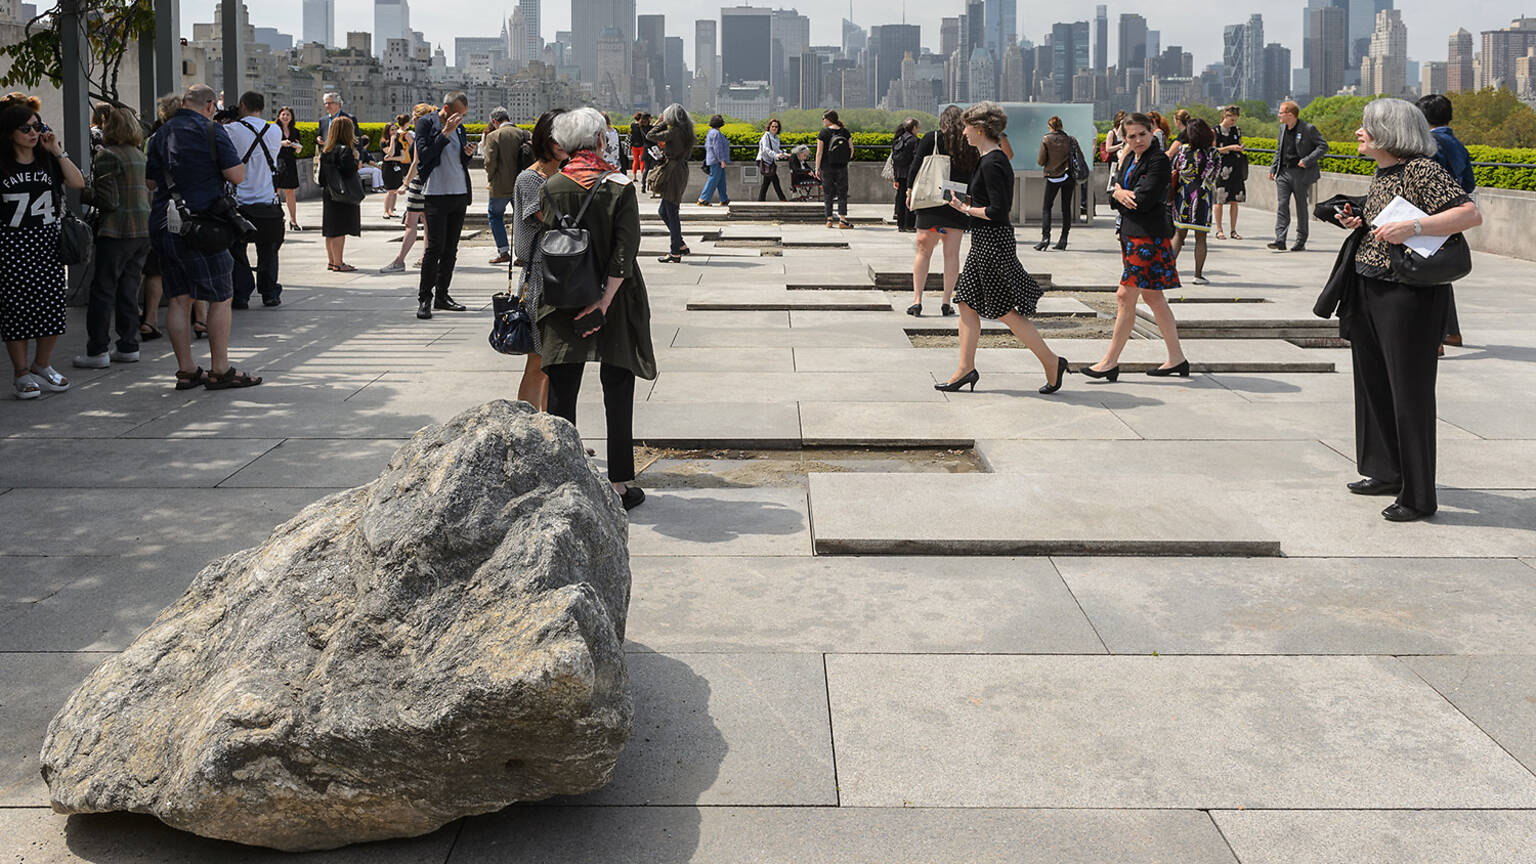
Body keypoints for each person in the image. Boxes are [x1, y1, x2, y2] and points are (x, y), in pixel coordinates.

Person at [1328, 99, 1481, 522]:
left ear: (1388, 132)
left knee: (1409, 393)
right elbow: (1387, 217)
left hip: (1407, 295)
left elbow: (1469, 213)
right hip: (1369, 287)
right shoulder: (1386, 171)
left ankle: (1417, 495)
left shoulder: (1421, 169)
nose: (1359, 132)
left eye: (1366, 127)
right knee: (1373, 384)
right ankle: (1385, 470)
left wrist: (1412, 227)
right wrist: (1360, 218)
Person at [538, 107, 657, 511]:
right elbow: (626, 252)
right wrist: (602, 305)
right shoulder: (620, 186)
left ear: (565, 146)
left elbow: (549, 244)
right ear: (602, 141)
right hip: (617, 300)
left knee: (561, 390)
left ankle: (564, 481)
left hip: (564, 296)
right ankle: (620, 484)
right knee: (618, 389)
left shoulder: (551, 184)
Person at [935, 102, 1067, 396]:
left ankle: (1052, 361)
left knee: (1004, 311)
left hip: (992, 243)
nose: (964, 132)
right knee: (967, 304)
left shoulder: (993, 162)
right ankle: (965, 368)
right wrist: (965, 202)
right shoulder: (990, 159)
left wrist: (966, 208)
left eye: (967, 127)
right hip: (985, 242)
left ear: (980, 129)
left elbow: (998, 210)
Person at [145, 84, 261, 390]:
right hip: (202, 225)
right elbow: (236, 175)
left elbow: (150, 181)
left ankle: (186, 370)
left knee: (179, 299)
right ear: (210, 105)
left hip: (163, 222)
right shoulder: (212, 132)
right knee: (221, 296)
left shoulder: (160, 134)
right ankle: (220, 369)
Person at [1085, 112, 1189, 381]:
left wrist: (1119, 193)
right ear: (1125, 137)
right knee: (1153, 297)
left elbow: (1142, 200)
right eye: (1131, 136)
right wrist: (1118, 193)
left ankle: (1109, 362)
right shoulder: (1130, 156)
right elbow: (1113, 195)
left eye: (1142, 134)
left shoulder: (1158, 161)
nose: (1138, 139)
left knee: (1124, 296)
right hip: (1131, 234)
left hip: (1149, 237)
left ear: (1152, 130)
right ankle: (1177, 358)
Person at [2, 96, 86, 398]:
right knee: (17, 313)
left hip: (47, 243)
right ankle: (21, 372)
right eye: (25, 129)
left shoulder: (48, 159)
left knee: (51, 310)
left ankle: (42, 364)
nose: (33, 133)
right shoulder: (3, 164)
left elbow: (78, 183)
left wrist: (57, 150)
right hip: (12, 245)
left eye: (37, 127)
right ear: (10, 132)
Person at [74, 106, 150, 369]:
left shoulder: (107, 155)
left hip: (117, 230)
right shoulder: (138, 155)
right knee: (128, 289)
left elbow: (108, 200)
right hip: (142, 230)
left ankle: (97, 350)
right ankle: (128, 344)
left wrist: (84, 190)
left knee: (103, 290)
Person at [510, 109, 564, 411]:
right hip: (541, 277)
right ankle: (527, 427)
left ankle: (551, 425)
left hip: (561, 275)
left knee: (553, 362)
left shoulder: (561, 176)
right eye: (557, 136)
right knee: (539, 360)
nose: (563, 142)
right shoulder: (531, 179)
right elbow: (550, 218)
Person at [904, 105, 977, 316]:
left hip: (931, 201)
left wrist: (909, 191)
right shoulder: (968, 142)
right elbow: (974, 173)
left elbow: (916, 165)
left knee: (923, 251)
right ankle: (946, 302)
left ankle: (917, 300)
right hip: (957, 201)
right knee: (951, 255)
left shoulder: (932, 138)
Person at [1417, 93, 1474, 351]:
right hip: (1454, 215)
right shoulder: (1458, 144)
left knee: (1425, 275)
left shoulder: (1428, 143)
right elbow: (1469, 184)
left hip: (1431, 217)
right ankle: (1451, 333)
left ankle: (1434, 338)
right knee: (1438, 273)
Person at [414, 91, 475, 319]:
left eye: (463, 116)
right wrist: (445, 132)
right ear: (446, 109)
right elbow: (425, 155)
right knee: (434, 248)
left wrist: (468, 154)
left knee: (451, 250)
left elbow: (458, 160)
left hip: (459, 192)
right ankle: (425, 298)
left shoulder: (459, 127)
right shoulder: (425, 123)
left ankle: (442, 295)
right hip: (436, 193)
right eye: (458, 115)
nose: (461, 120)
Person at [224, 91, 286, 309]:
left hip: (240, 202)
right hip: (268, 200)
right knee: (268, 249)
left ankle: (241, 294)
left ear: (242, 105)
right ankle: (269, 292)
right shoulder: (275, 130)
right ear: (261, 106)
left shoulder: (230, 130)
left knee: (237, 249)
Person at [1268, 100, 1328, 252]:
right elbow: (1279, 149)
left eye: (1281, 112)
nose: (1278, 115)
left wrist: (1307, 160)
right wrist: (1274, 168)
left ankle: (1301, 241)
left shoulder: (1308, 129)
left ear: (1290, 114)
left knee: (1301, 207)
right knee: (1282, 205)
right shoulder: (1282, 128)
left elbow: (1323, 146)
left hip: (1301, 174)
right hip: (1283, 173)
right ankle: (1280, 239)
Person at [381, 103, 435, 274]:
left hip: (419, 182)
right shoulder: (433, 132)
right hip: (430, 181)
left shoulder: (421, 132)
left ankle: (400, 260)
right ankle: (425, 257)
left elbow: (416, 161)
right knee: (426, 223)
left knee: (410, 223)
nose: (412, 119)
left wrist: (405, 184)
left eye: (414, 116)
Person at [1170, 118, 1219, 285]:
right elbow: (1213, 177)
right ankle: (1198, 275)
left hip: (1182, 197)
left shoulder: (1182, 151)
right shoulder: (1214, 153)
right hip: (1203, 199)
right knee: (1201, 238)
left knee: (1178, 235)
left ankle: (1168, 270)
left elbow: (1175, 169)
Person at [648, 103, 695, 263]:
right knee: (664, 210)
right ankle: (680, 244)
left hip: (673, 172)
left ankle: (675, 252)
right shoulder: (686, 131)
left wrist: (661, 121)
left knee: (671, 211)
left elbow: (650, 135)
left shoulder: (674, 131)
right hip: (679, 169)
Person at [483, 106, 530, 265]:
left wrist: (490, 179)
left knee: (495, 216)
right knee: (522, 219)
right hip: (521, 183)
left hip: (500, 185)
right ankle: (523, 255)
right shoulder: (523, 134)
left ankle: (503, 252)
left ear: (495, 121)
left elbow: (490, 162)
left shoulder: (494, 136)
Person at [319, 116, 361, 272]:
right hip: (342, 195)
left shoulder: (326, 150)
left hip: (329, 192)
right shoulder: (345, 150)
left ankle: (332, 261)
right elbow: (349, 171)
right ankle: (339, 263)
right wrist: (356, 160)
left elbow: (322, 176)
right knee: (339, 230)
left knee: (330, 229)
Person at [1036, 115, 1075, 251]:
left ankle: (1045, 238)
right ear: (1061, 126)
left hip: (1053, 177)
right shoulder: (1069, 139)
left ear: (1050, 126)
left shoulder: (1046, 139)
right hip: (1068, 176)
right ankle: (1063, 240)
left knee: (1047, 207)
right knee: (1066, 209)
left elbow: (1041, 161)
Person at [815, 109, 853, 228]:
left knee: (828, 193)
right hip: (841, 167)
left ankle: (829, 220)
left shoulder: (823, 133)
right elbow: (851, 150)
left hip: (826, 167)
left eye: (824, 119)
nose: (823, 121)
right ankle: (842, 220)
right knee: (842, 192)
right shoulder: (845, 132)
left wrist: (817, 168)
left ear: (829, 120)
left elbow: (819, 152)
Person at [1213, 105, 1246, 239]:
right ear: (1225, 116)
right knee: (1219, 199)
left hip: (1235, 166)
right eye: (1231, 119)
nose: (1233, 122)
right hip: (1222, 167)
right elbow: (1213, 149)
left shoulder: (1236, 130)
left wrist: (1239, 148)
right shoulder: (1215, 131)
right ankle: (1219, 229)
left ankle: (1233, 230)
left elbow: (1239, 143)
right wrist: (1229, 147)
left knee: (1235, 200)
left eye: (1235, 120)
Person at [273, 106, 303, 230]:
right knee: (276, 191)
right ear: (279, 116)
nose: (285, 117)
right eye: (283, 114)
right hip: (278, 161)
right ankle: (276, 219)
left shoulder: (295, 131)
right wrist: (282, 143)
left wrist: (297, 147)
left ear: (291, 118)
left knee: (290, 191)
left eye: (288, 115)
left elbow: (299, 150)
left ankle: (293, 220)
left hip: (290, 162)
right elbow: (270, 144)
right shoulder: (274, 129)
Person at [890, 118, 920, 232]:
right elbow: (916, 160)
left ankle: (901, 224)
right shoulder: (915, 140)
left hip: (900, 174)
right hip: (910, 174)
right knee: (910, 198)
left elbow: (894, 160)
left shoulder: (899, 139)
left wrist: (896, 177)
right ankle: (909, 224)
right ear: (914, 128)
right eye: (917, 127)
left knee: (901, 198)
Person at [380, 117, 411, 218]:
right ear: (387, 131)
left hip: (397, 167)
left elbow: (403, 157)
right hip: (388, 169)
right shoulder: (383, 142)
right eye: (392, 129)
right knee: (389, 191)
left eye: (395, 129)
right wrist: (392, 141)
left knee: (395, 191)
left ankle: (391, 210)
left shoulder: (399, 143)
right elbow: (390, 152)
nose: (394, 131)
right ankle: (386, 211)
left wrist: (391, 158)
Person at [698, 114, 731, 206]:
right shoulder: (716, 133)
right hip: (716, 161)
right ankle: (703, 199)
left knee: (721, 179)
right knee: (713, 179)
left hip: (713, 159)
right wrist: (722, 160)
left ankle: (724, 199)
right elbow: (718, 148)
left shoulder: (711, 132)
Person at [756, 118, 787, 201]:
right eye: (772, 126)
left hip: (770, 162)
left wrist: (785, 155)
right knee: (775, 180)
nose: (774, 128)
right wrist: (776, 155)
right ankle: (783, 199)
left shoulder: (776, 138)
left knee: (766, 183)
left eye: (776, 127)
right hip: (763, 161)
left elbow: (777, 150)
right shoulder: (766, 136)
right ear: (769, 127)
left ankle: (761, 200)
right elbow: (766, 149)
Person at [629, 112, 650, 181]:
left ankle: (634, 176)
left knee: (635, 160)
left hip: (634, 146)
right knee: (642, 161)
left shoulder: (632, 125)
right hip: (641, 146)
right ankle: (642, 176)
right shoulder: (642, 126)